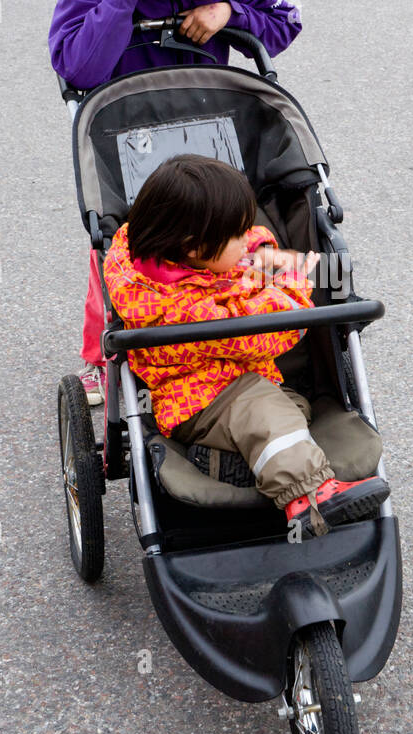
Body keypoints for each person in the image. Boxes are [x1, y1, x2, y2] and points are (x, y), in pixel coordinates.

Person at [49, 0, 304, 405]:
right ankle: (105, 354)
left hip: (209, 137)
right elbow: (78, 68)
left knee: (222, 237)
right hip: (125, 143)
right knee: (120, 247)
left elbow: (287, 18)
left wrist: (230, 12)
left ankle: (226, 333)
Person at [103, 154, 389, 538]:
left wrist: (256, 252)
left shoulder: (170, 252)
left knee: (289, 410)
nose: (247, 239)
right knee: (265, 411)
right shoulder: (178, 311)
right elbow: (272, 330)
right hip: (200, 402)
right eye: (237, 237)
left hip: (239, 383)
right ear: (192, 248)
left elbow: (244, 244)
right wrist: (288, 283)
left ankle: (226, 460)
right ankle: (309, 496)